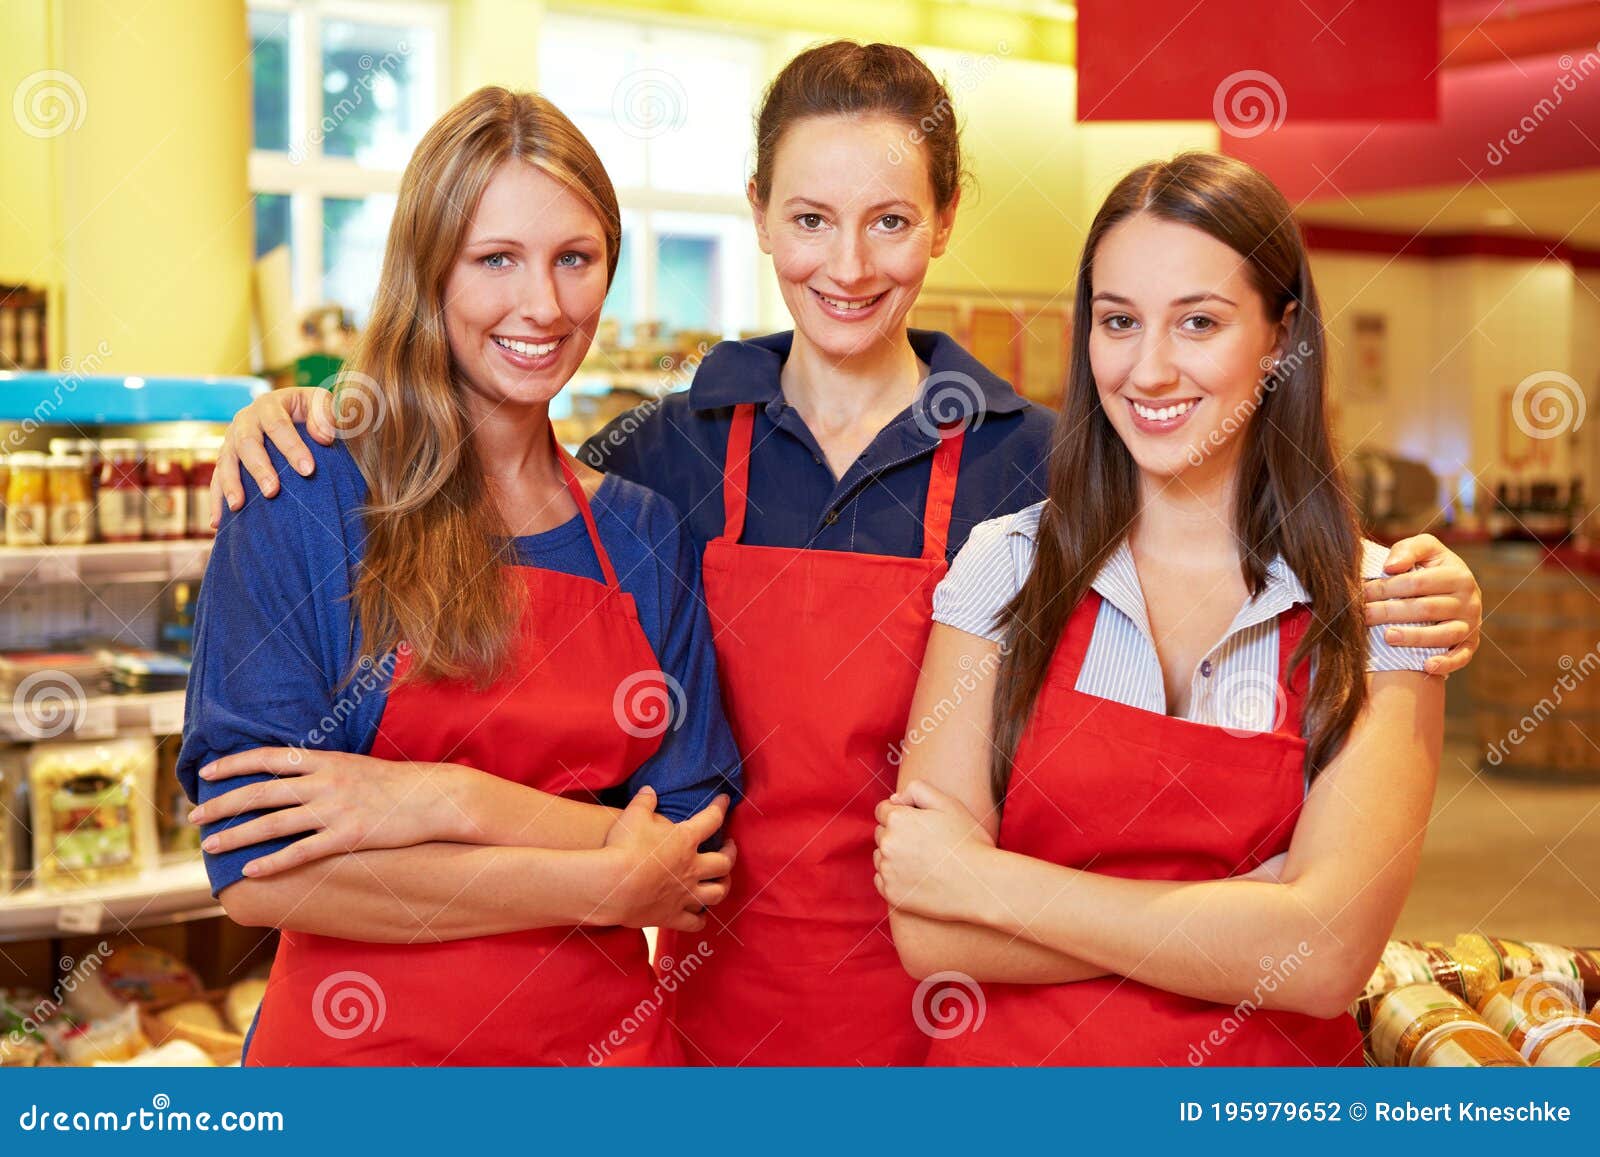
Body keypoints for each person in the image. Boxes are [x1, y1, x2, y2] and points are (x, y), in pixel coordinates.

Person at [200, 44, 1483, 1066]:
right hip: (705, 1018)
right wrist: (299, 415)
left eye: (889, 221)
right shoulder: (659, 459)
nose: (848, 264)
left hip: (959, 1016)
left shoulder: (1040, 469)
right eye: (810, 217)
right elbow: (487, 488)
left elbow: (1224, 524)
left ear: (944, 223)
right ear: (756, 217)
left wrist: (1412, 583)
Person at [178, 87, 739, 1066]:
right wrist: (599, 876)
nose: (545, 305)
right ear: (427, 269)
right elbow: (259, 867)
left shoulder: (639, 530)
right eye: (496, 260)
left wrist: (445, 799)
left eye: (575, 258)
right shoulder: (303, 498)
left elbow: (688, 846)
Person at [877, 152, 1446, 1066]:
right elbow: (928, 931)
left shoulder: (1383, 612)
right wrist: (1247, 921)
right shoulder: (1007, 567)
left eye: (1198, 322)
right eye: (1118, 321)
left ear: (1281, 336)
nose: (1148, 369)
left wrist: (981, 877)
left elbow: (1326, 962)